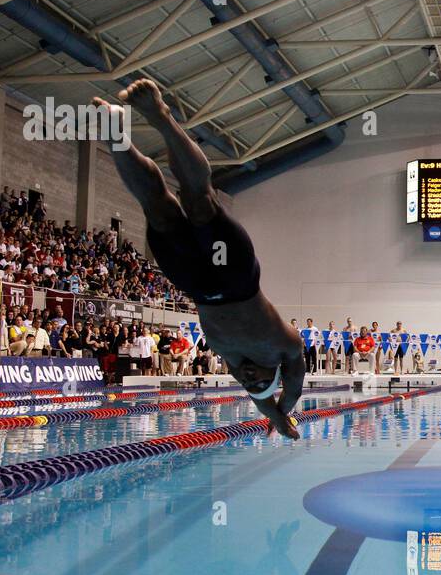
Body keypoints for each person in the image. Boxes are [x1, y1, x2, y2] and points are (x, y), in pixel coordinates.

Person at [95, 79, 304, 438]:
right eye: (260, 381)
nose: (250, 377)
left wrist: (267, 409)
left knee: (158, 211)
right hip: (235, 275)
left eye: (248, 383)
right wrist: (280, 416)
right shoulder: (285, 347)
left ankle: (116, 136)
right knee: (200, 203)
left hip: (195, 282)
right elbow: (291, 391)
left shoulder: (238, 364)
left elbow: (258, 394)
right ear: (275, 376)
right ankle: (160, 115)